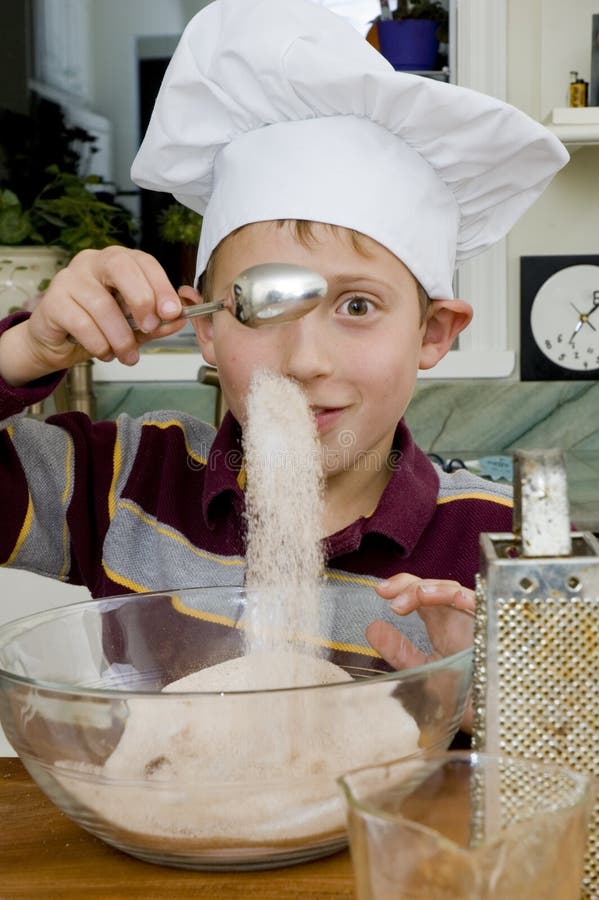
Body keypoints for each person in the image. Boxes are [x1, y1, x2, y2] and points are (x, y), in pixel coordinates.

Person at [0, 0, 567, 673]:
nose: (305, 361)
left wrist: (489, 701)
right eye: (266, 306)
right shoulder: (125, 483)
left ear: (432, 332)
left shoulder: (497, 541)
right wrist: (26, 351)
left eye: (356, 305)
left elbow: (566, 738)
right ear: (206, 325)